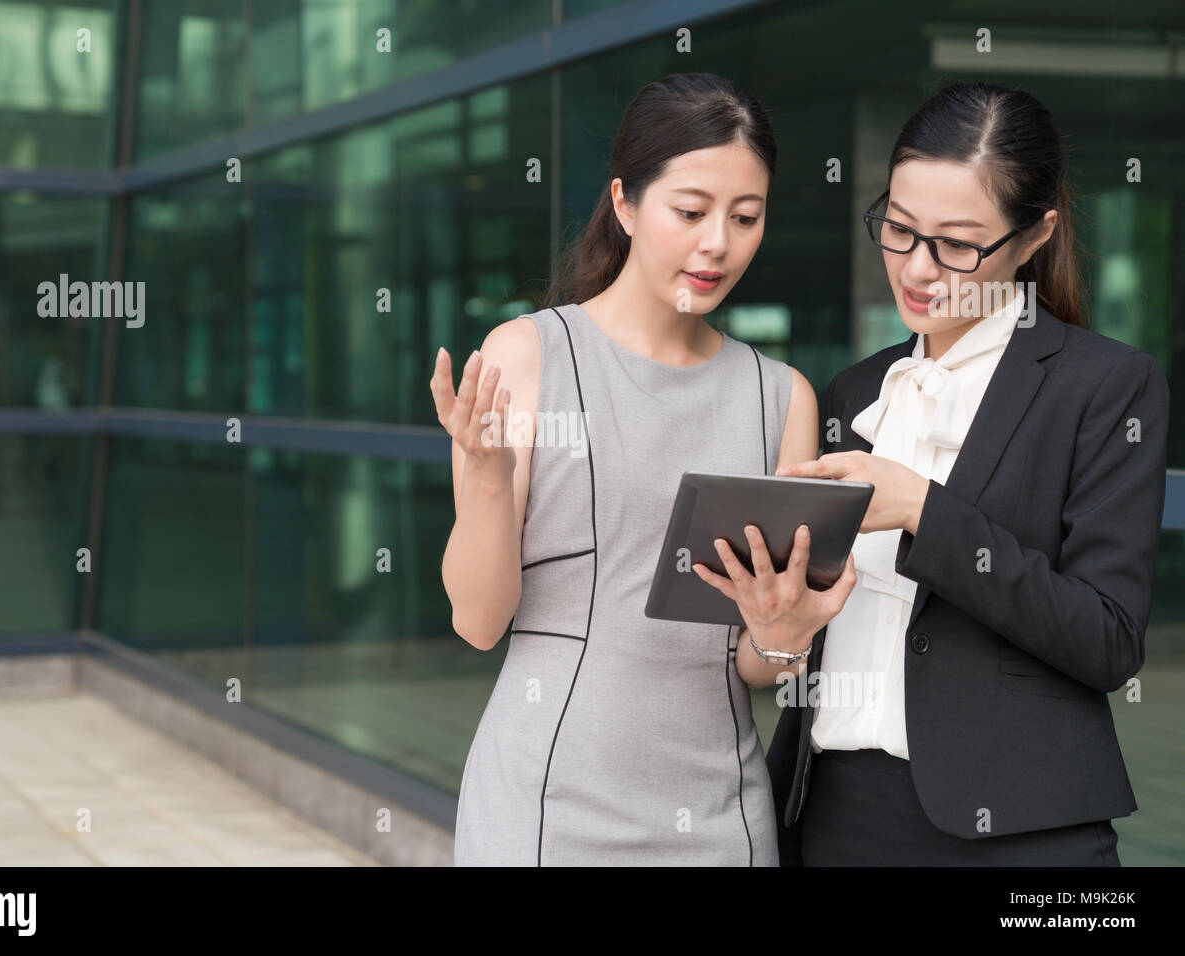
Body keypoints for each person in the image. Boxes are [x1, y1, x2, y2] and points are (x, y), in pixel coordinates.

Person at [431, 73, 855, 865]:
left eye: (746, 217)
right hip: (547, 807)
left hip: (722, 818)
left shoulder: (779, 397)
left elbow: (757, 667)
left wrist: (786, 630)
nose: (717, 244)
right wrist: (486, 480)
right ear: (625, 204)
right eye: (690, 212)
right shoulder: (528, 357)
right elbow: (478, 623)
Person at [764, 82, 1169, 865]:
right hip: (836, 814)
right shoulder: (856, 390)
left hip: (1019, 832)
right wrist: (782, 622)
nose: (918, 269)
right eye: (900, 229)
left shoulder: (1103, 386)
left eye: (957, 243)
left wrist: (922, 507)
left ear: (1035, 234)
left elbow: (1108, 640)